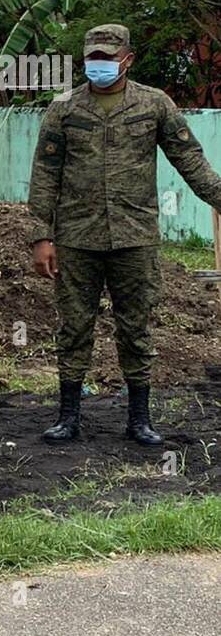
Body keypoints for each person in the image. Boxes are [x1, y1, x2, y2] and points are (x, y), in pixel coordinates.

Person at [28, 23, 221, 447]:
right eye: (93, 58)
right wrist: (41, 236)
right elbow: (45, 175)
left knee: (135, 328)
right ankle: (68, 416)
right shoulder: (64, 109)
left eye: (108, 58)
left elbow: (189, 159)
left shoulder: (155, 105)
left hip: (135, 236)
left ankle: (139, 419)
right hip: (76, 237)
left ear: (127, 60)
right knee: (74, 327)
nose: (99, 65)